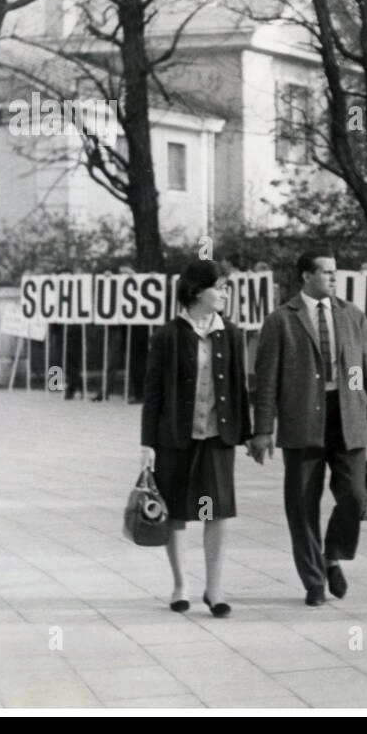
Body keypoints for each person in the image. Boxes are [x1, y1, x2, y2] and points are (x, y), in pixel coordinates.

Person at [249, 251, 367, 607]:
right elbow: (265, 381)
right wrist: (263, 430)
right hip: (302, 422)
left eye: (334, 273)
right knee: (301, 505)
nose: (333, 278)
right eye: (326, 273)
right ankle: (313, 580)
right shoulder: (281, 320)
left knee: (355, 495)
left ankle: (333, 554)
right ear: (306, 277)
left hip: (348, 418)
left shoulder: (352, 316)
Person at [140, 259, 252, 617]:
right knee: (176, 511)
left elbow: (240, 386)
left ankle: (214, 588)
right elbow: (153, 393)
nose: (224, 293)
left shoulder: (231, 333)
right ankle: (180, 585)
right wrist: (147, 444)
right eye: (218, 287)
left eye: (225, 287)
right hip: (174, 437)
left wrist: (248, 434)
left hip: (217, 437)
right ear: (194, 292)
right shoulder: (168, 336)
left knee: (214, 510)